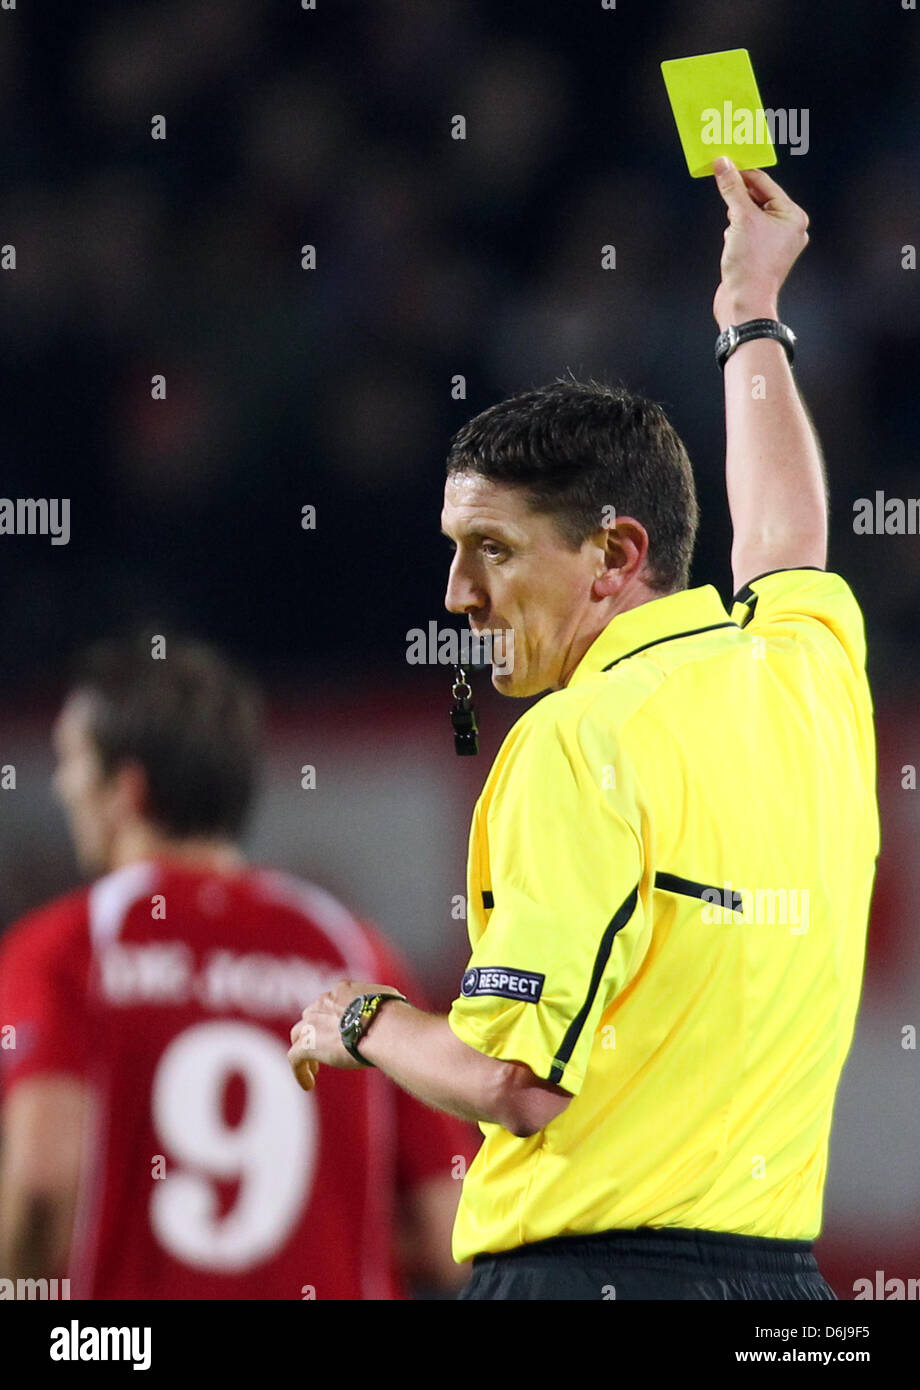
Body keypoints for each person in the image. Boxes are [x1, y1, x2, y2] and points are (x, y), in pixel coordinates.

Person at [288, 157, 880, 1300]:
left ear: (613, 556)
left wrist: (362, 1019)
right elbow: (784, 538)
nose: (457, 594)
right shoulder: (806, 669)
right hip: (789, 1297)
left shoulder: (578, 738)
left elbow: (515, 1081)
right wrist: (748, 312)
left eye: (493, 550)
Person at [0, 637, 472, 1299]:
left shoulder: (69, 948)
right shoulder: (353, 951)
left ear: (126, 791)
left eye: (72, 762)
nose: (58, 785)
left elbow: (45, 1183)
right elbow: (448, 1228)